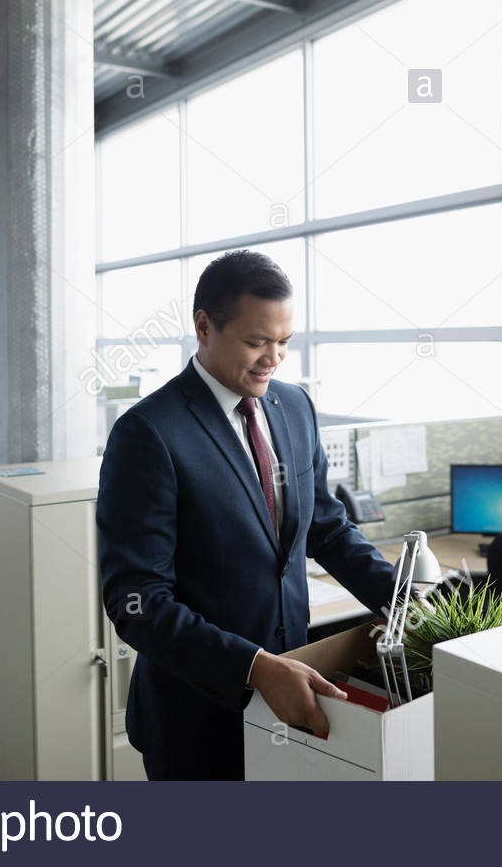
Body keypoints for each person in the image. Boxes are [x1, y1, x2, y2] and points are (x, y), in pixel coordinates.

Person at [97, 249, 399, 780]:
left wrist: (404, 601)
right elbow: (136, 601)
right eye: (256, 342)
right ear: (204, 326)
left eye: (284, 342)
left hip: (298, 697)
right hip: (197, 718)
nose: (273, 359)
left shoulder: (295, 406)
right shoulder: (149, 433)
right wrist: (255, 669)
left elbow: (325, 527)